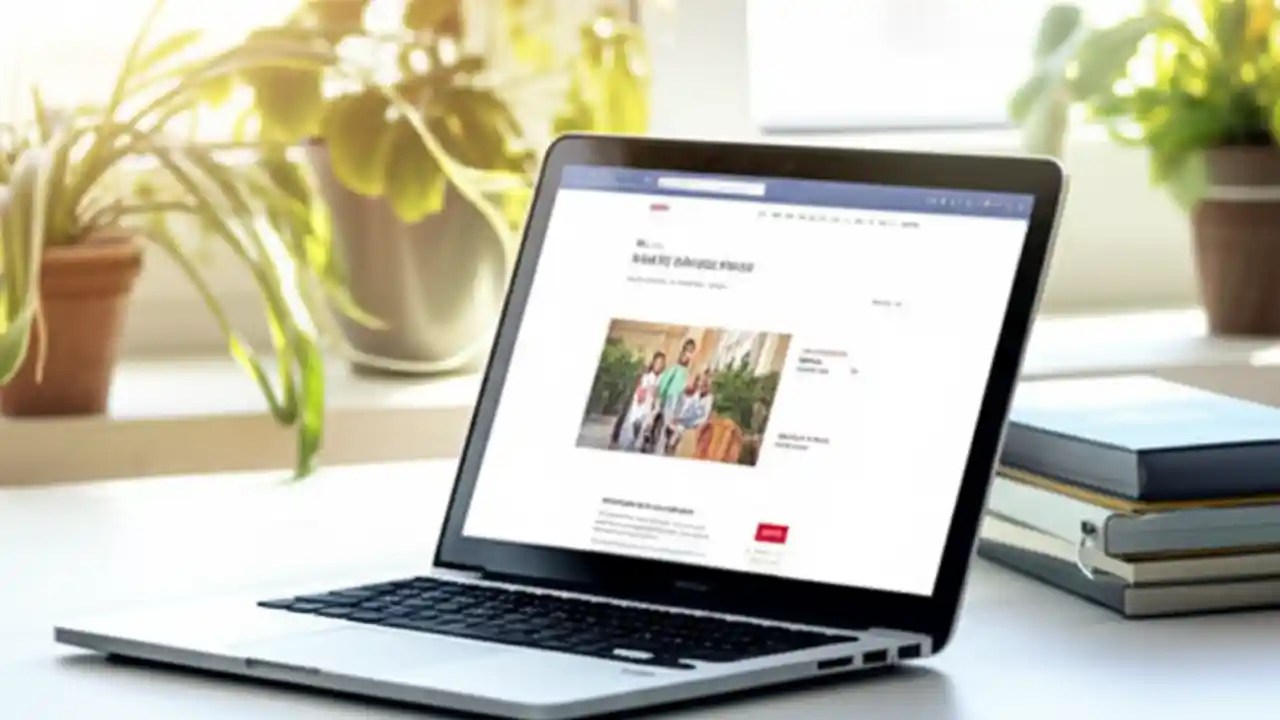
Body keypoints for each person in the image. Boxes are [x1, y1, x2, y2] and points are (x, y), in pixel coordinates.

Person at [650, 338, 696, 453]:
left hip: (678, 402)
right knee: (664, 426)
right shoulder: (674, 369)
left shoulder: (687, 372)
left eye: (691, 352)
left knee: (671, 428)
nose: (687, 356)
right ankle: (655, 443)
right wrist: (660, 398)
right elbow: (664, 385)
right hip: (668, 400)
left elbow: (685, 390)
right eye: (687, 352)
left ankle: (667, 446)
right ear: (682, 352)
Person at [616, 352, 665, 451]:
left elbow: (659, 396)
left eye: (661, 363)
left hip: (651, 409)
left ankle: (643, 442)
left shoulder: (662, 379)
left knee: (645, 429)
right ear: (653, 363)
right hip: (640, 406)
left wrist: (656, 402)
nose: (659, 365)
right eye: (657, 362)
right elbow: (639, 391)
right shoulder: (646, 376)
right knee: (634, 428)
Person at [666, 370, 715, 455]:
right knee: (678, 428)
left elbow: (704, 416)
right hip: (686, 421)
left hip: (696, 424)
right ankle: (671, 446)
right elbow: (686, 410)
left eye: (706, 385)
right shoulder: (694, 394)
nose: (703, 386)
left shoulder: (709, 398)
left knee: (680, 430)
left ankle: (672, 446)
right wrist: (678, 419)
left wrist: (695, 423)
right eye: (702, 383)